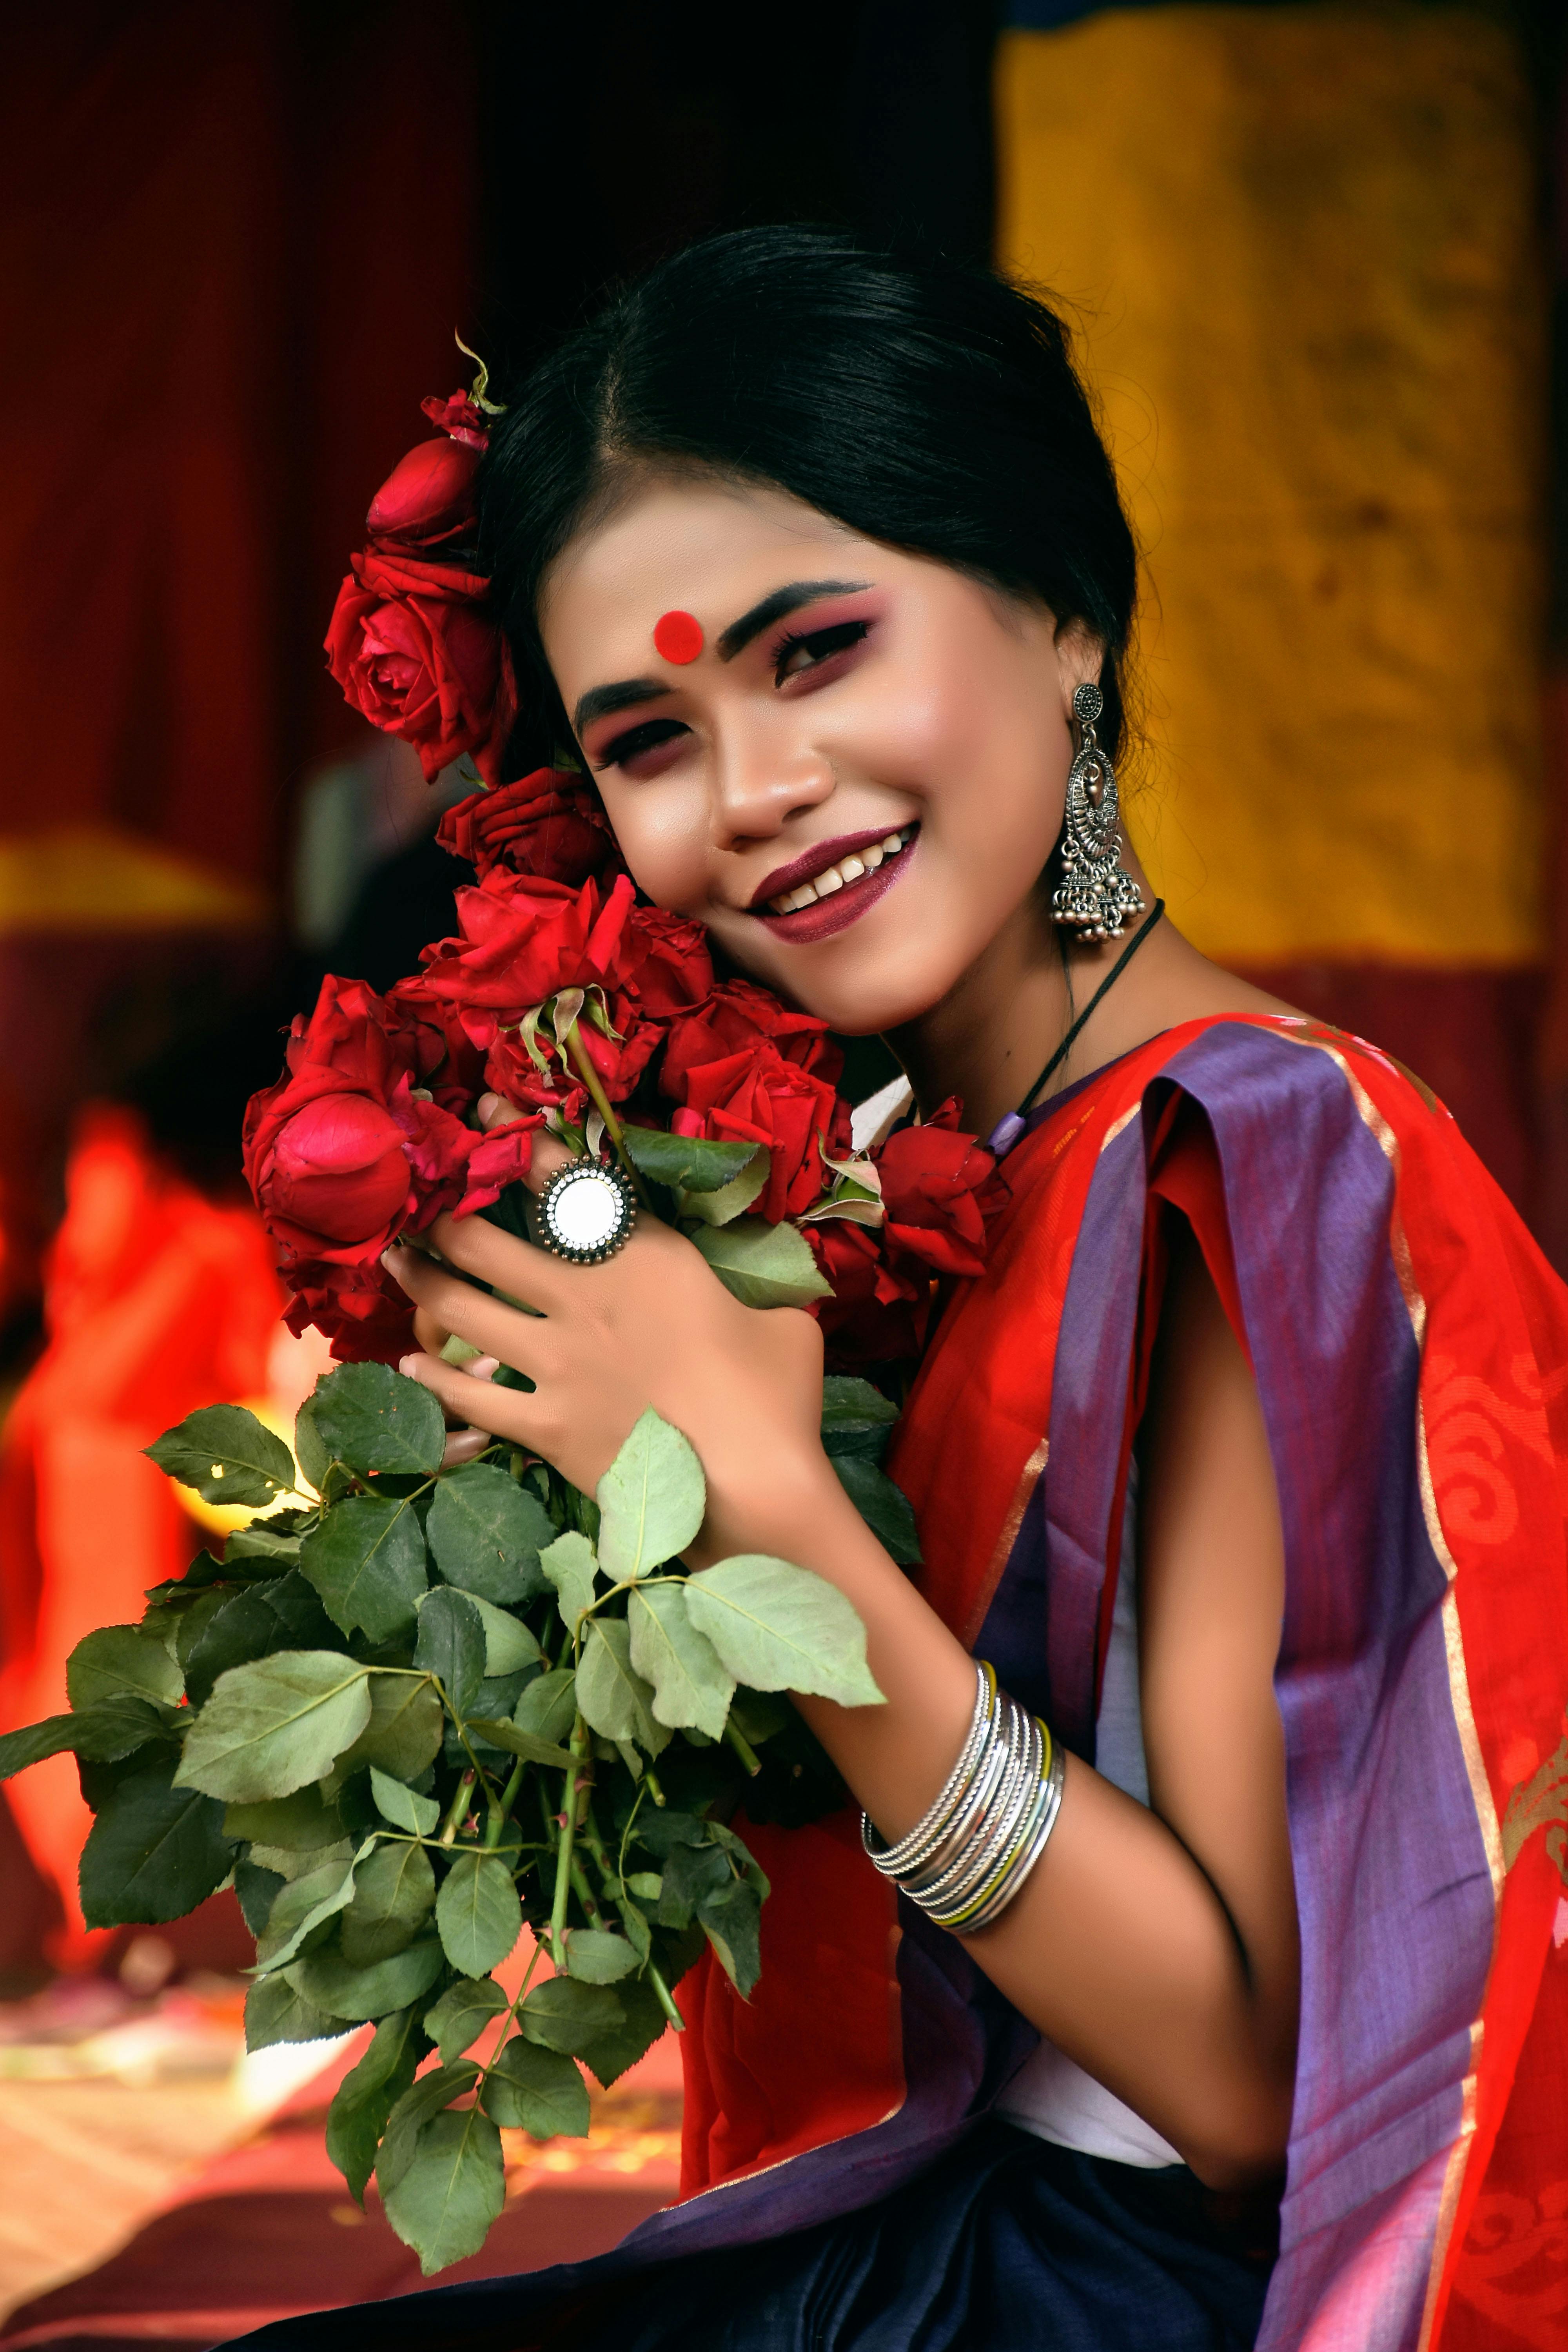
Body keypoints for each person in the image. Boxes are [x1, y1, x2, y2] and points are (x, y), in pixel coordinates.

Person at [235, 229, 1568, 2352]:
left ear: (1062, 614)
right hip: (938, 2236)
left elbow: (1247, 2088)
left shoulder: (1244, 1151)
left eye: (820, 650)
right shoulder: (904, 1185)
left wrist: (759, 1505)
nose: (757, 792)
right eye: (650, 738)